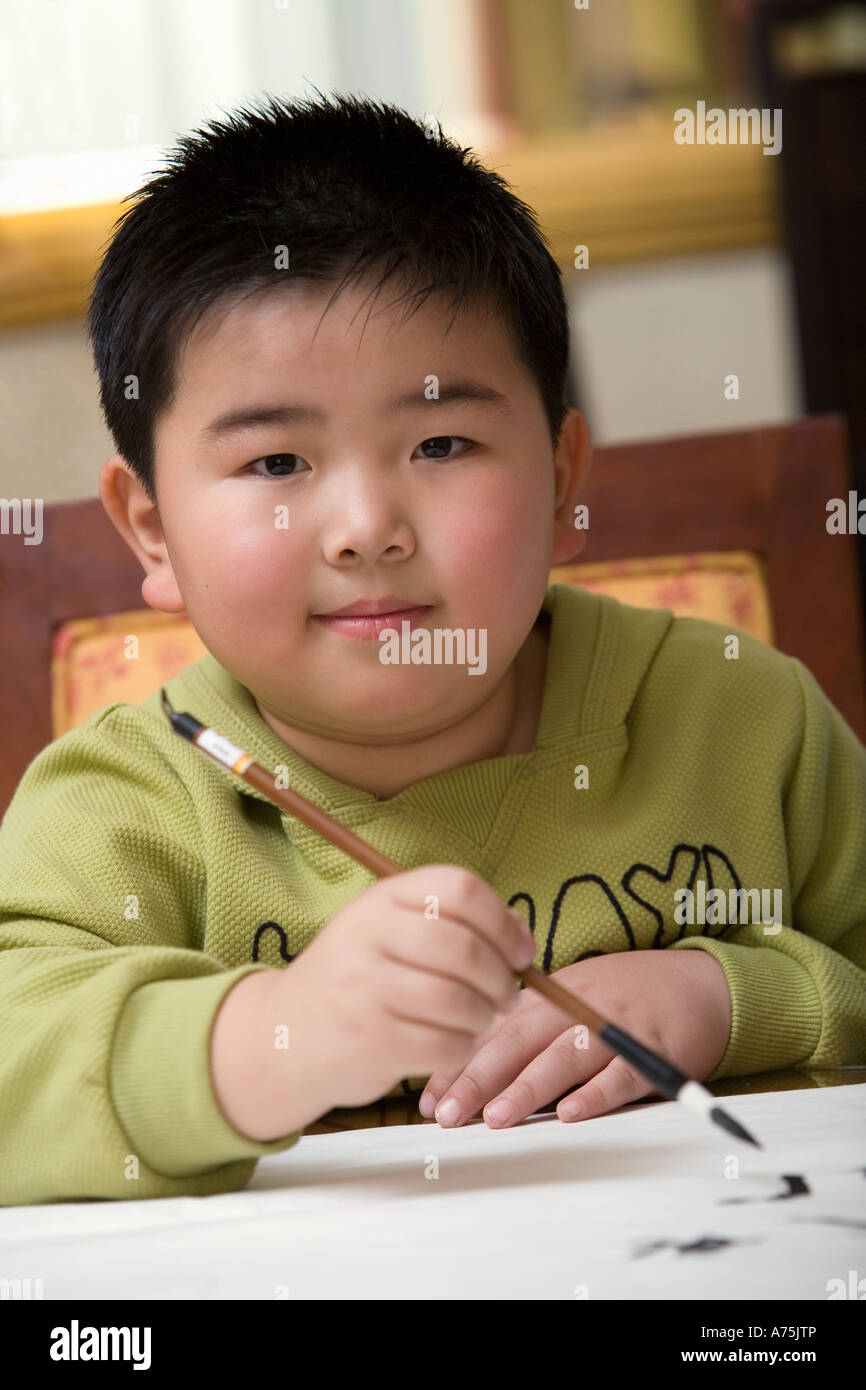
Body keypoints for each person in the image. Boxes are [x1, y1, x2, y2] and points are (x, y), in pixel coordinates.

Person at [1, 93, 864, 1205]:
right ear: (154, 528)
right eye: (274, 464)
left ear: (559, 477)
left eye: (440, 442)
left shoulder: (742, 716)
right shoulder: (116, 805)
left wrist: (730, 995)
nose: (367, 525)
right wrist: (273, 1033)